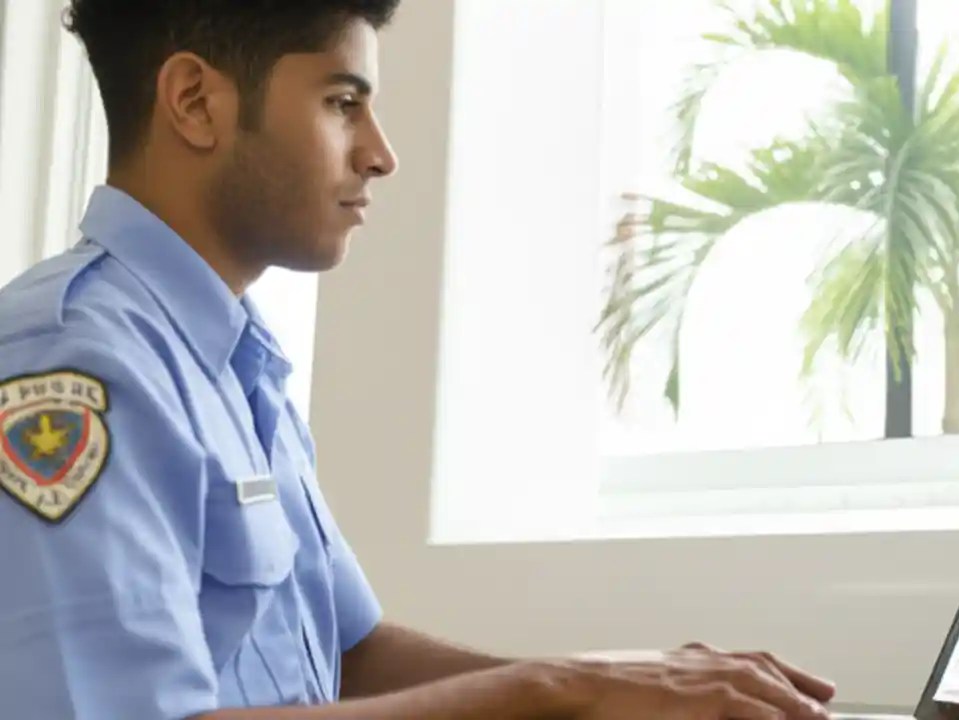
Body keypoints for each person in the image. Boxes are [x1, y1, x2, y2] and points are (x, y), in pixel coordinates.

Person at [0, 1, 839, 718]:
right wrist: (558, 688)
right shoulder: (71, 366)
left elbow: (351, 651)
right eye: (341, 102)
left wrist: (629, 689)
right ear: (194, 102)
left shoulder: (234, 362)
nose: (379, 153)